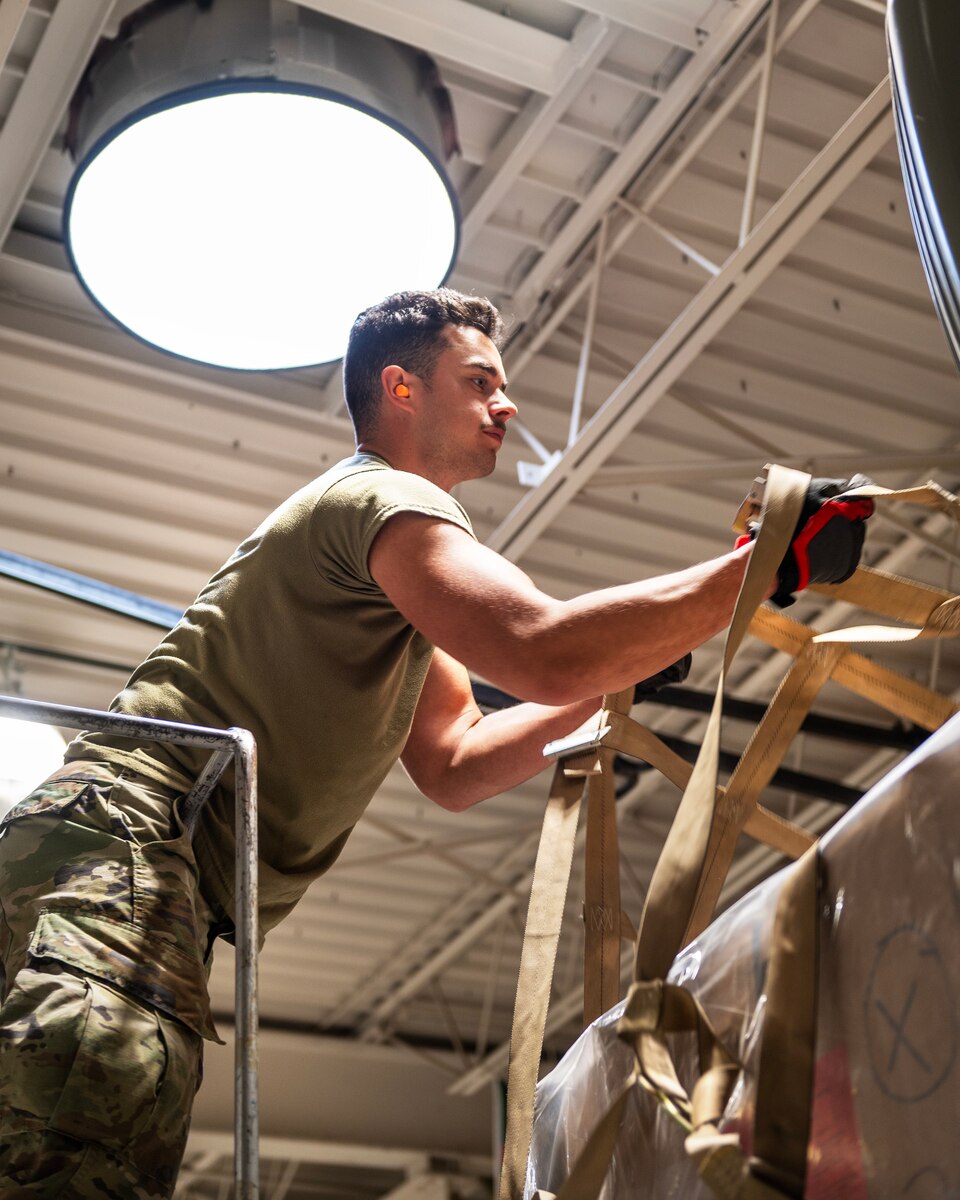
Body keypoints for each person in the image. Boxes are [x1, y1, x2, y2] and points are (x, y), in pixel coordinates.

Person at [0, 288, 871, 1198]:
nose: (508, 404)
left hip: (123, 850)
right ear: (401, 388)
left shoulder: (386, 572)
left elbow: (455, 762)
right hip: (135, 841)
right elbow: (541, 648)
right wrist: (769, 562)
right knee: (81, 1146)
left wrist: (611, 685)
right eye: (481, 381)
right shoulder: (384, 496)